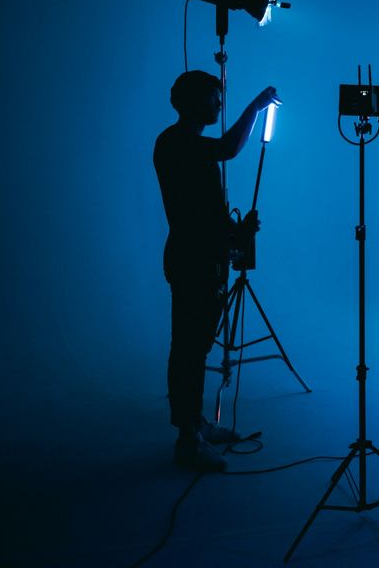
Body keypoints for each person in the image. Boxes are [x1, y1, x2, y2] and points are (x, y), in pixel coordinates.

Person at [154, 70, 280, 472]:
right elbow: (228, 148)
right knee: (189, 349)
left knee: (198, 346)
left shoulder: (186, 145)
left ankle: (196, 424)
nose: (219, 105)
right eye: (214, 98)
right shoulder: (174, 143)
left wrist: (235, 232)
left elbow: (205, 207)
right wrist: (256, 108)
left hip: (205, 259)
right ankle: (188, 440)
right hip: (192, 261)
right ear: (191, 102)